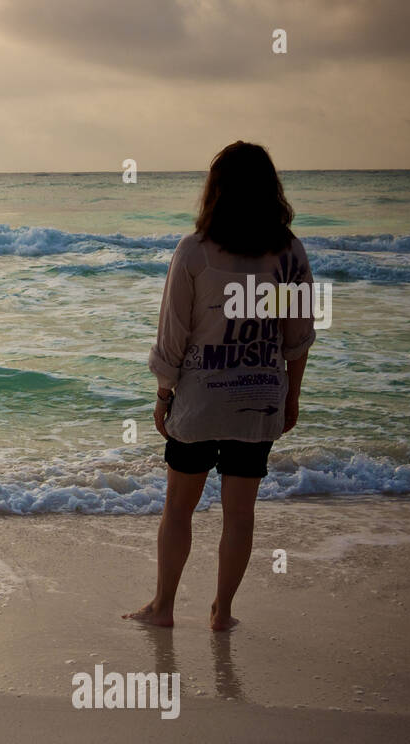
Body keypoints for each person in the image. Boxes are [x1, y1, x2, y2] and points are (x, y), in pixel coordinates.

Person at [125, 141, 316, 630]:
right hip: (259, 400)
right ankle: (222, 612)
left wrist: (163, 394)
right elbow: (298, 338)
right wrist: (291, 397)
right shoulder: (290, 253)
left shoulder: (194, 251)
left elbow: (173, 336)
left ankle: (164, 607)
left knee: (179, 508)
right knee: (240, 515)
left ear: (216, 190)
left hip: (201, 403)